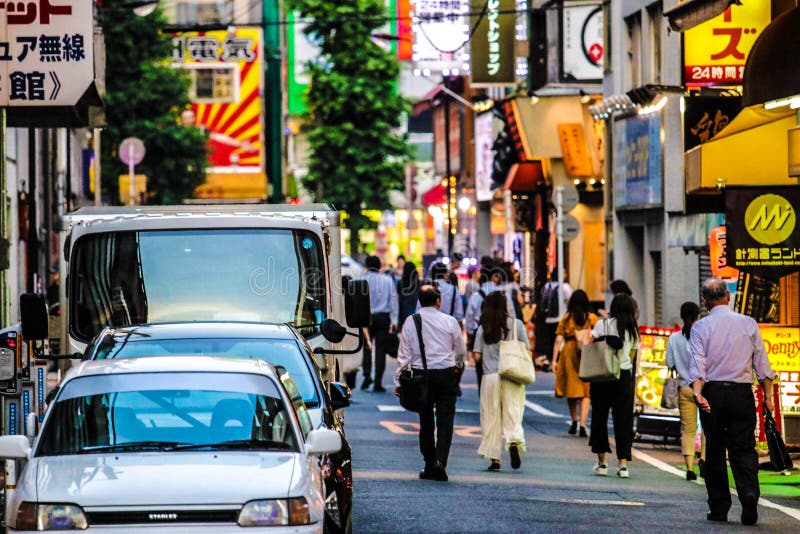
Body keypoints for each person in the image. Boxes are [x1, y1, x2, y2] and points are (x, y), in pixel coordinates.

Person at [688, 278, 775, 526]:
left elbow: (698, 364)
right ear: (728, 296)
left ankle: (719, 508)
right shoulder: (748, 323)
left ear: (705, 301)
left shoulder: (701, 327)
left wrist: (698, 394)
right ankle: (748, 496)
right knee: (744, 448)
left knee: (715, 450)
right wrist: (768, 397)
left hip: (713, 393)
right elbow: (762, 363)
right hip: (741, 393)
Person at [394, 285, 467, 481]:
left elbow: (404, 354)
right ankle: (440, 462)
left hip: (421, 376)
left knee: (425, 420)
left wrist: (399, 381)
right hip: (446, 374)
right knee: (446, 420)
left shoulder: (412, 321)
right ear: (438, 301)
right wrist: (459, 364)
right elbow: (460, 349)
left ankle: (429, 463)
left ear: (420, 301)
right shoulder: (450, 321)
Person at [473, 291, 529, 471]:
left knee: (491, 416)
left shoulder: (483, 327)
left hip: (490, 377)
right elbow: (527, 350)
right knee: (513, 412)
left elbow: (476, 356)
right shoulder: (517, 325)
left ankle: (495, 459)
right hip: (512, 375)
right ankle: (513, 441)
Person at [588, 293, 639, 479]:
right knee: (623, 421)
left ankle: (602, 463)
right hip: (623, 377)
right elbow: (632, 357)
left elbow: (590, 345)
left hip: (602, 375)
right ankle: (623, 465)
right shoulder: (632, 329)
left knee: (599, 418)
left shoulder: (602, 325)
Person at [666, 301, 707, 481]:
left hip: (684, 387)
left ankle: (690, 468)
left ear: (682, 316)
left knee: (688, 430)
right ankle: (704, 459)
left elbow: (669, 363)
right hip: (704, 388)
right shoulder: (704, 335)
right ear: (698, 316)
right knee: (707, 427)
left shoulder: (674, 338)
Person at [552, 289, 598, 437]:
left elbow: (558, 339)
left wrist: (554, 360)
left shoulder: (567, 318)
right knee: (586, 391)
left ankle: (574, 421)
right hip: (587, 354)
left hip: (569, 354)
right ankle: (583, 425)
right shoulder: (592, 318)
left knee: (571, 389)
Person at [359, 255, 399, 392]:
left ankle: (366, 375)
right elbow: (393, 301)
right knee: (381, 349)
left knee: (366, 346)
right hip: (383, 317)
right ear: (380, 266)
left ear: (366, 266)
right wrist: (394, 320)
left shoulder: (362, 279)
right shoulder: (387, 280)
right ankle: (378, 382)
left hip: (366, 317)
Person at [464, 264, 498, 391]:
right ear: (494, 278)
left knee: (481, 368)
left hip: (480, 334)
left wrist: (471, 334)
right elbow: (512, 315)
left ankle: (483, 392)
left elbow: (469, 318)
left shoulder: (476, 296)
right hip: (499, 334)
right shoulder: (503, 295)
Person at [538, 269, 573, 365]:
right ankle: (559, 361)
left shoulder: (547, 286)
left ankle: (550, 361)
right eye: (564, 272)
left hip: (548, 319)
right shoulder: (565, 287)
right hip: (560, 318)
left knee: (550, 342)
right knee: (560, 341)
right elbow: (570, 301)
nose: (566, 274)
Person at [397, 261, 420, 330]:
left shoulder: (400, 283)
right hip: (417, 313)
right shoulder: (419, 283)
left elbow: (397, 299)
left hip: (404, 314)